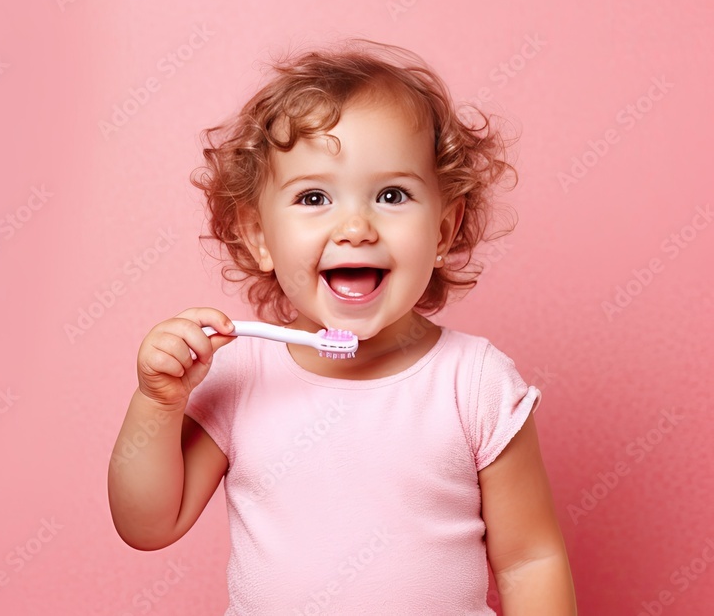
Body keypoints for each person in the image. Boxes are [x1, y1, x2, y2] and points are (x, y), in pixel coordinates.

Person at [108, 39, 577, 614]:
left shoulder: (475, 383)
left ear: (444, 231)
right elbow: (147, 524)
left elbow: (530, 560)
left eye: (391, 194)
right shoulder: (239, 372)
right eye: (313, 197)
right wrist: (157, 402)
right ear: (258, 235)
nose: (355, 226)